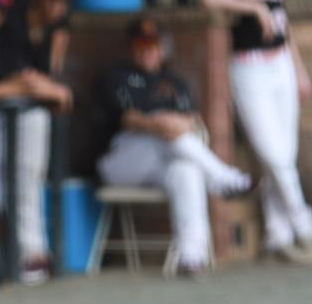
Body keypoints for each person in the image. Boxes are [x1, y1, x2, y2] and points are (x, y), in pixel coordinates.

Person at [200, 0, 312, 265]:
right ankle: (305, 227)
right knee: (273, 153)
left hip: (279, 63)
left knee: (284, 155)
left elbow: (283, 20)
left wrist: (299, 68)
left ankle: (277, 235)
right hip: (248, 64)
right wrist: (251, 6)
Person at [93, 17, 252, 277]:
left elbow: (193, 119)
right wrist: (159, 123)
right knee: (164, 132)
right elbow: (128, 118)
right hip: (120, 162)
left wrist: (178, 123)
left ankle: (191, 256)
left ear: (163, 48)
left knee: (187, 171)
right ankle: (221, 176)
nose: (147, 51)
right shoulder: (118, 76)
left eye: (153, 45)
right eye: (141, 45)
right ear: (132, 47)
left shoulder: (174, 82)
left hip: (162, 160)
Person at [0, 0, 73, 281]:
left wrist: (45, 87)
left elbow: (32, 81)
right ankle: (2, 257)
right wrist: (40, 89)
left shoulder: (34, 35)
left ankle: (14, 257)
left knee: (17, 181)